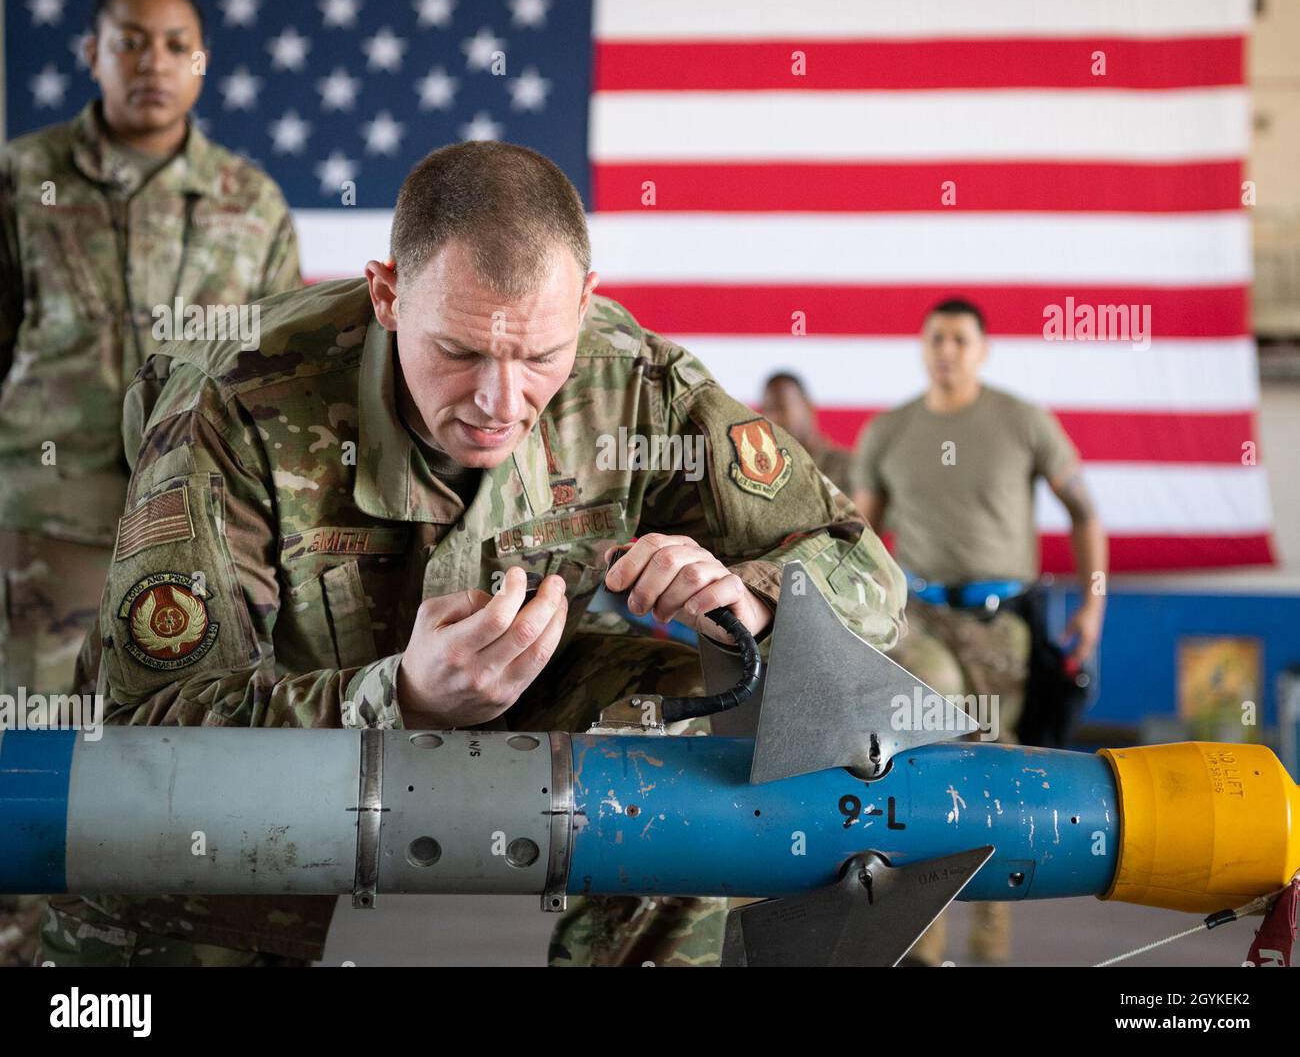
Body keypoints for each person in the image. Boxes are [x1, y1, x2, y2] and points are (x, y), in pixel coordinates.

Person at [41, 139, 907, 967]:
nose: (501, 401)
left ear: (585, 301)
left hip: (508, 723)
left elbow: (865, 574)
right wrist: (404, 696)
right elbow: (148, 729)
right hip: (242, 784)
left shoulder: (632, 380)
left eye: (540, 356)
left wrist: (749, 598)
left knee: (684, 708)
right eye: (458, 352)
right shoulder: (234, 398)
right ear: (387, 295)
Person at [0, 0, 300, 967]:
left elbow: (276, 380)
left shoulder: (248, 201)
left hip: (196, 529)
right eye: (131, 41)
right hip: (47, 529)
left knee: (164, 751)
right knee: (29, 752)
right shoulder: (21, 178)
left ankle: (133, 956)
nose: (153, 63)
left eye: (176, 44)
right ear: (93, 53)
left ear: (201, 63)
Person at [851, 297, 1107, 965]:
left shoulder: (1022, 421)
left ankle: (992, 946)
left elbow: (1084, 511)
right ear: (922, 345)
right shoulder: (890, 430)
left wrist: (1093, 605)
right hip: (921, 618)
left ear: (983, 349)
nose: (947, 350)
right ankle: (923, 949)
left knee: (997, 773)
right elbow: (857, 538)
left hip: (1002, 627)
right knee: (928, 760)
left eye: (961, 339)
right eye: (936, 337)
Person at [760, 371, 855, 496]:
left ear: (808, 407)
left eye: (781, 407)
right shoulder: (764, 475)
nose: (774, 418)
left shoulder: (849, 467)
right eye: (768, 409)